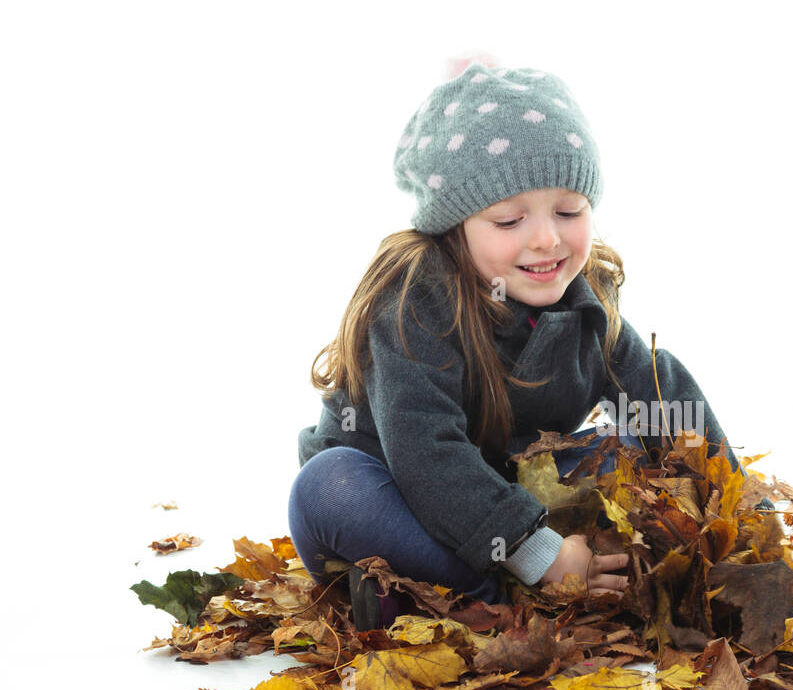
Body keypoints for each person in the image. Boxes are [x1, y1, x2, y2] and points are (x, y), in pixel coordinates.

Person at [289, 63, 757, 622]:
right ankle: (488, 594)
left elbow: (655, 393)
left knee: (646, 421)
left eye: (569, 210)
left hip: (505, 490)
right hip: (400, 498)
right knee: (328, 485)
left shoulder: (584, 295)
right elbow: (428, 455)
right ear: (452, 226)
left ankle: (488, 586)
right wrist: (541, 554)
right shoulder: (417, 297)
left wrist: (747, 525)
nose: (546, 238)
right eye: (509, 219)